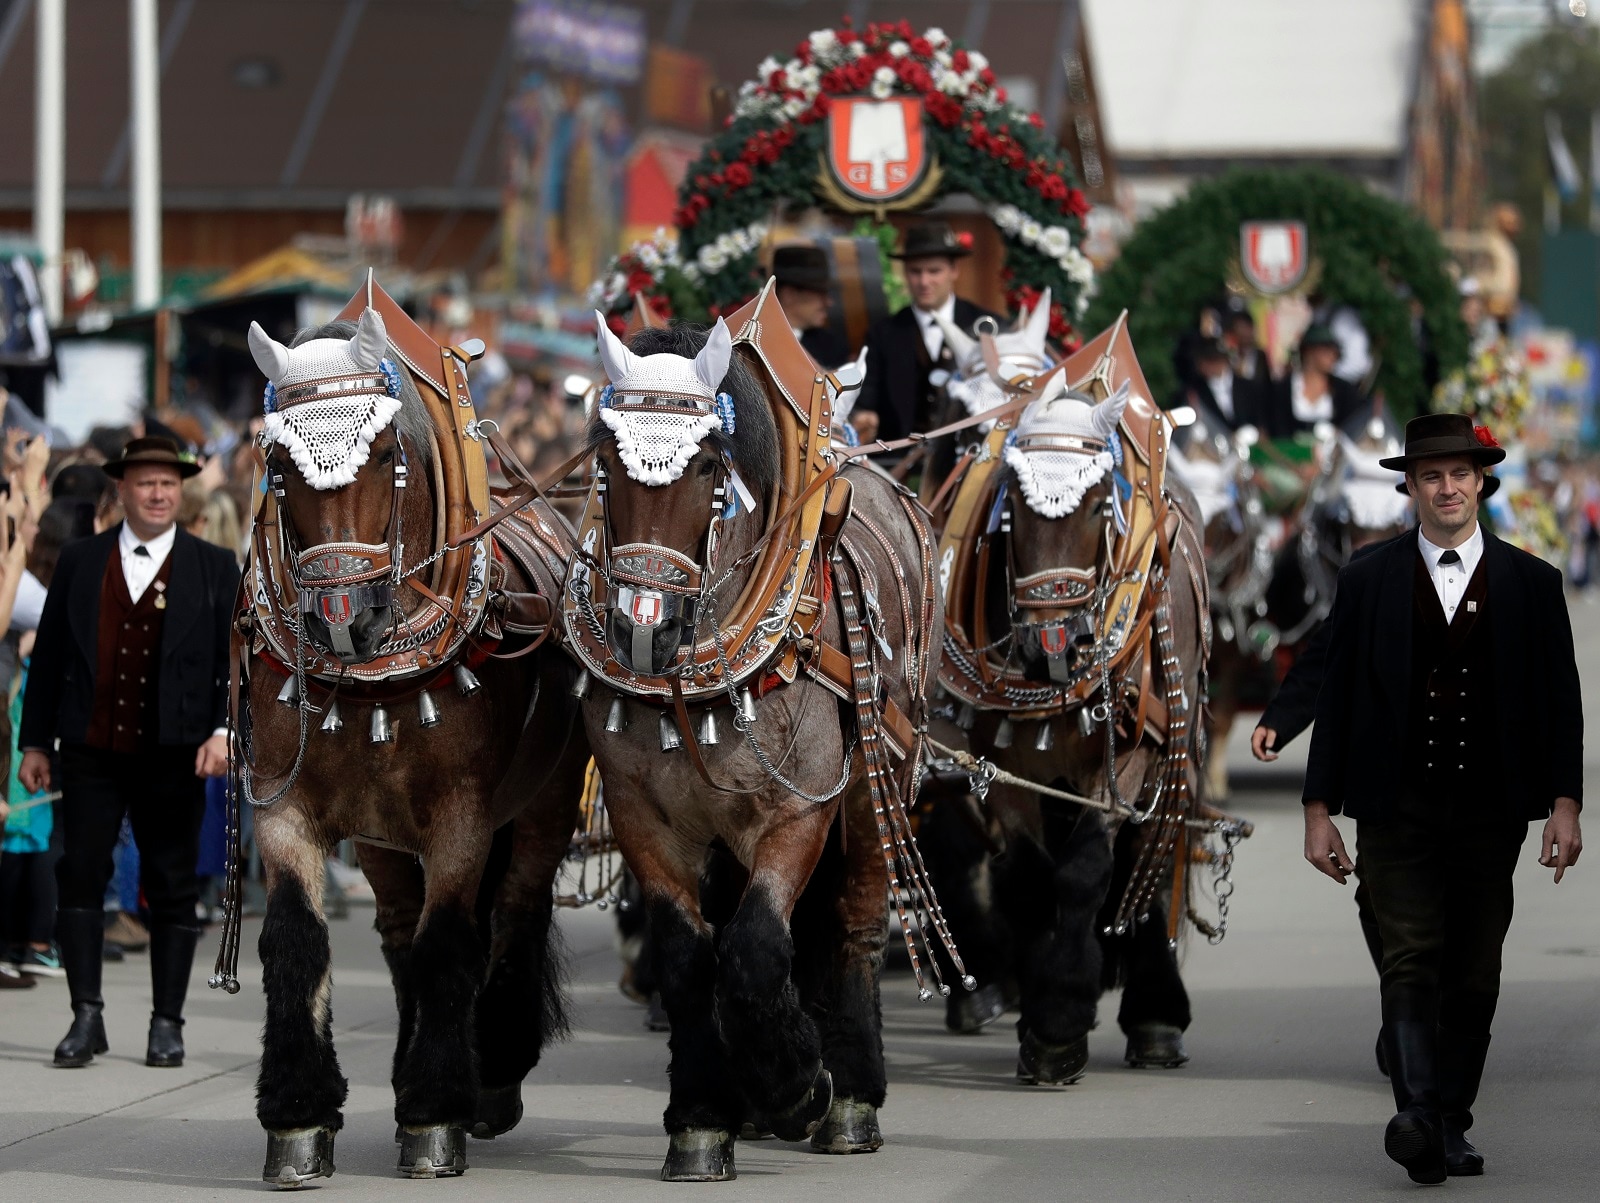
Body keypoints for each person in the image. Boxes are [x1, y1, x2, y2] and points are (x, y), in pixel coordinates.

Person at [1300, 412, 1583, 1184]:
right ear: (1411, 488)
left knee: (1475, 970)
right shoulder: (1366, 578)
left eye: (1460, 473)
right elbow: (1340, 694)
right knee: (1409, 957)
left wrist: (1566, 801)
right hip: (1396, 805)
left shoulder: (1532, 582)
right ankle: (1419, 1114)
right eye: (1432, 475)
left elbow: (1562, 699)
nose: (1448, 487)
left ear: (1482, 481)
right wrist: (1317, 808)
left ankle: (1449, 1117)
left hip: (1493, 810)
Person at [19, 437, 239, 1070]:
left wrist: (225, 732)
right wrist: (35, 742)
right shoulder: (82, 562)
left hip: (174, 753)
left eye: (168, 483)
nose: (159, 493)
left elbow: (235, 664)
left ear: (182, 490)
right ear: (121, 491)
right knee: (80, 873)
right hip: (91, 747)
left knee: (171, 886)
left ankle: (166, 1022)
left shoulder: (213, 565)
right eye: (145, 483)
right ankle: (86, 1015)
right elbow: (52, 657)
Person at [851, 222, 998, 444]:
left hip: (969, 456)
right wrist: (864, 417)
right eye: (915, 272)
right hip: (900, 462)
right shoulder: (884, 333)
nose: (924, 281)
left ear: (954, 271)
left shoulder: (985, 327)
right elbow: (866, 400)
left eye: (934, 271)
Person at [1263, 325, 1365, 438]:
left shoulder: (1345, 392)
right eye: (1327, 349)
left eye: (1335, 350)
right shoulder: (1281, 390)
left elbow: (1353, 428)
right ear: (1308, 350)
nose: (1333, 355)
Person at [772, 244, 849, 368]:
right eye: (820, 294)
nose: (829, 302)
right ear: (789, 295)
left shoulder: (830, 347)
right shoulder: (756, 338)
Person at [1173, 336, 1260, 433]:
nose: (1206, 366)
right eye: (1204, 361)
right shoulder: (1194, 392)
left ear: (1224, 361)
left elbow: (1261, 420)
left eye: (1213, 360)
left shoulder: (1248, 387)